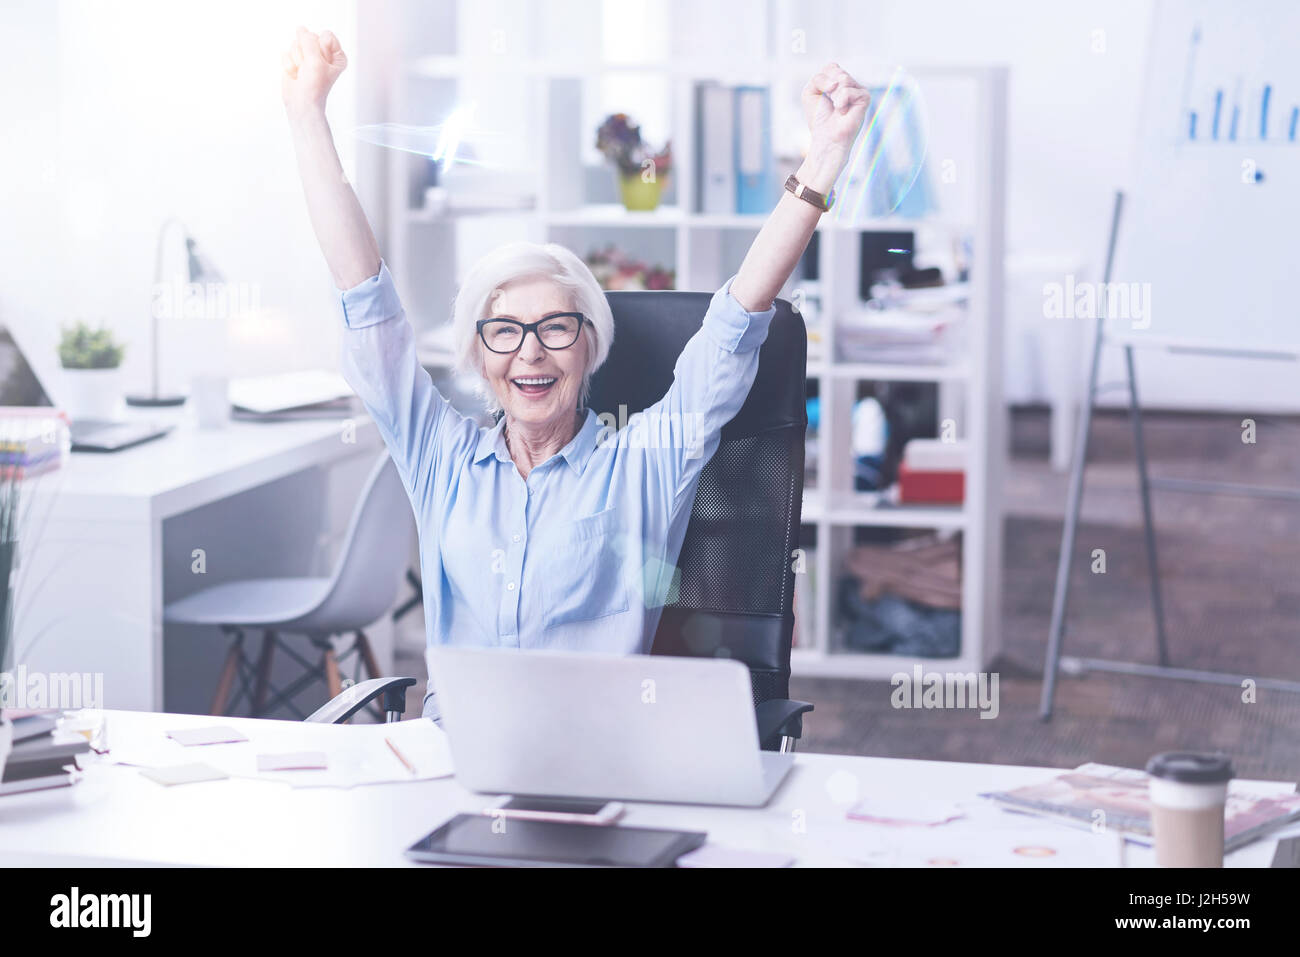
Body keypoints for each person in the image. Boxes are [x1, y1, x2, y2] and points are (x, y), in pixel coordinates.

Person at [281, 26, 869, 720]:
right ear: (478, 355)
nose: (529, 352)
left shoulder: (644, 463)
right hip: (457, 758)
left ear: (589, 346)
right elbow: (365, 302)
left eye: (555, 327)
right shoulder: (440, 457)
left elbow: (737, 319)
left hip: (596, 761)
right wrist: (306, 115)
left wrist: (824, 158)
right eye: (503, 331)